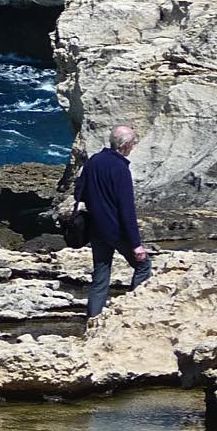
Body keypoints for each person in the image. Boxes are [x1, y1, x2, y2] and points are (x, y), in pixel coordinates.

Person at [75, 124, 152, 317]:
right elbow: (127, 209)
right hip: (116, 231)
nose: (133, 146)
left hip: (96, 229)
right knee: (143, 266)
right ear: (125, 145)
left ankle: (93, 319)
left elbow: (79, 193)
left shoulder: (93, 161)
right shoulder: (120, 168)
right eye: (133, 143)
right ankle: (132, 312)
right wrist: (136, 244)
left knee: (100, 277)